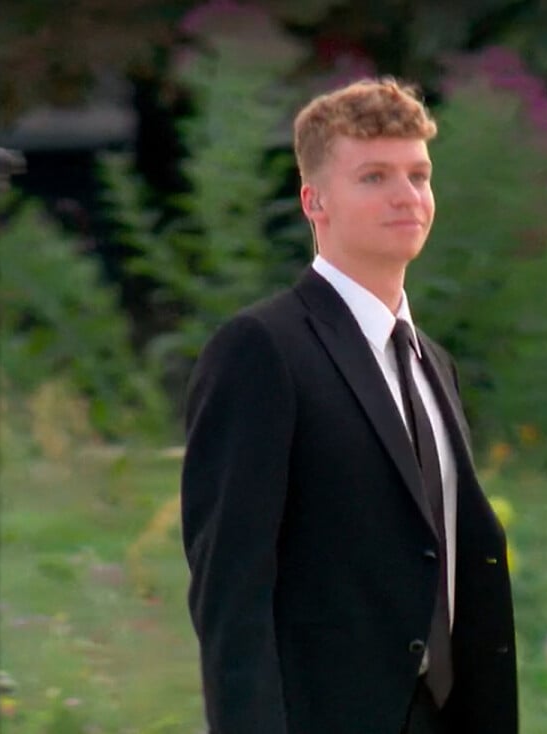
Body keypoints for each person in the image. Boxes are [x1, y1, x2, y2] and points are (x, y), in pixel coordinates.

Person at [180, 76, 518, 734]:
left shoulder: (433, 364)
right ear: (315, 200)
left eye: (418, 176)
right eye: (374, 177)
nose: (406, 196)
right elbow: (230, 590)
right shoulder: (262, 349)